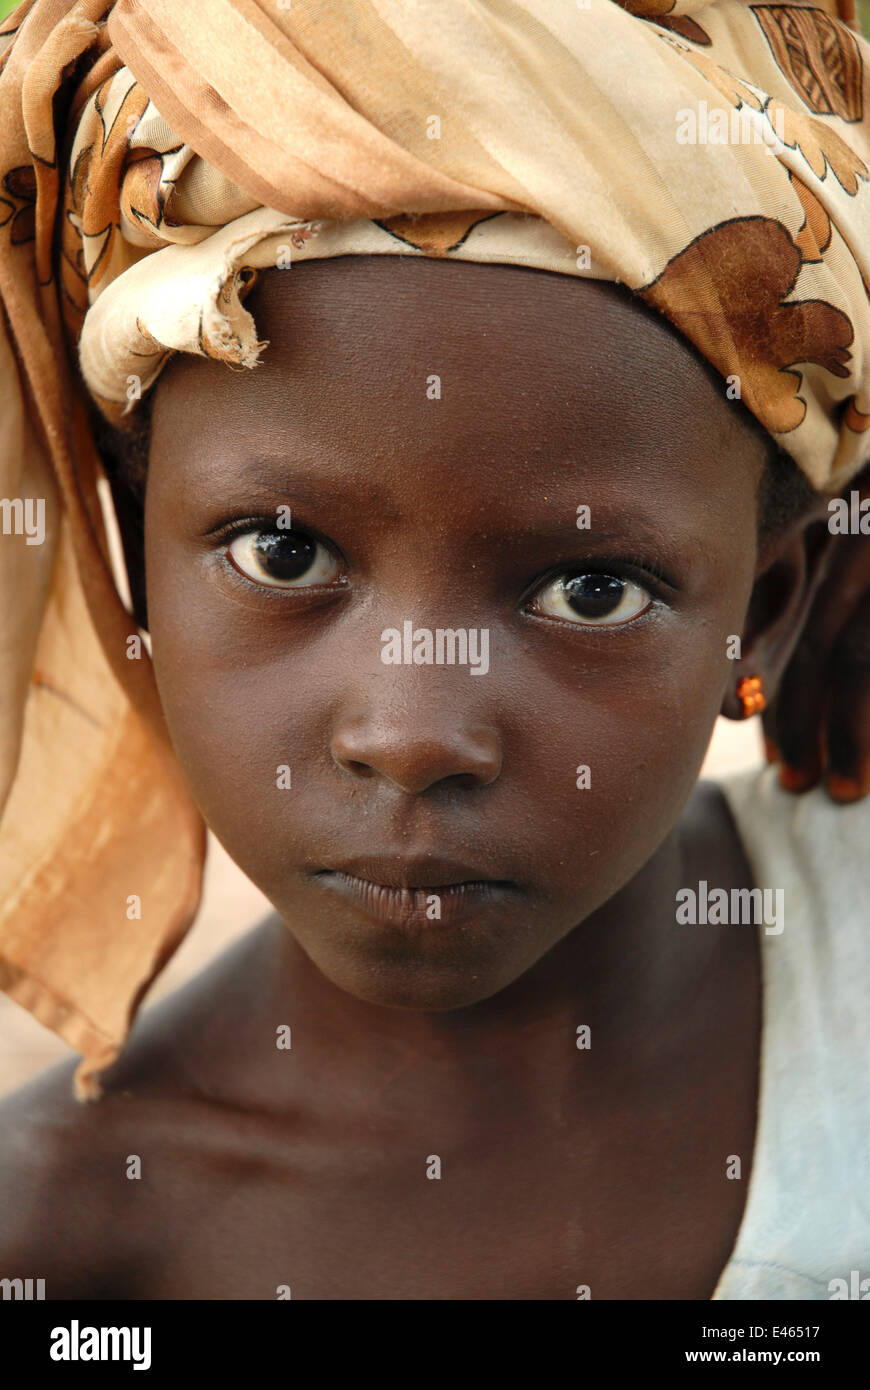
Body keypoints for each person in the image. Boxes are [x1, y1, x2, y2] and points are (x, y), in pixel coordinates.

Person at [0, 0, 868, 1301]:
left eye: (588, 586)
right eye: (281, 553)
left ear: (769, 598)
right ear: (133, 540)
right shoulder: (70, 1251)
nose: (409, 731)